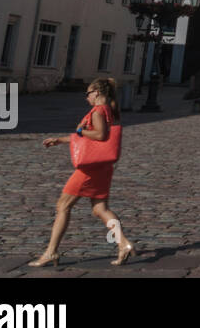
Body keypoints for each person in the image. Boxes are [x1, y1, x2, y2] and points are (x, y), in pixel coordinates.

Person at [29, 78, 137, 267]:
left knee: (62, 206)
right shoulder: (109, 111)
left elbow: (100, 135)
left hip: (90, 169)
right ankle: (123, 244)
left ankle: (51, 252)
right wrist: (61, 140)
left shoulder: (97, 111)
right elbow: (94, 138)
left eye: (87, 93)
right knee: (100, 209)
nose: (86, 97)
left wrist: (79, 132)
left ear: (96, 92)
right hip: (103, 166)